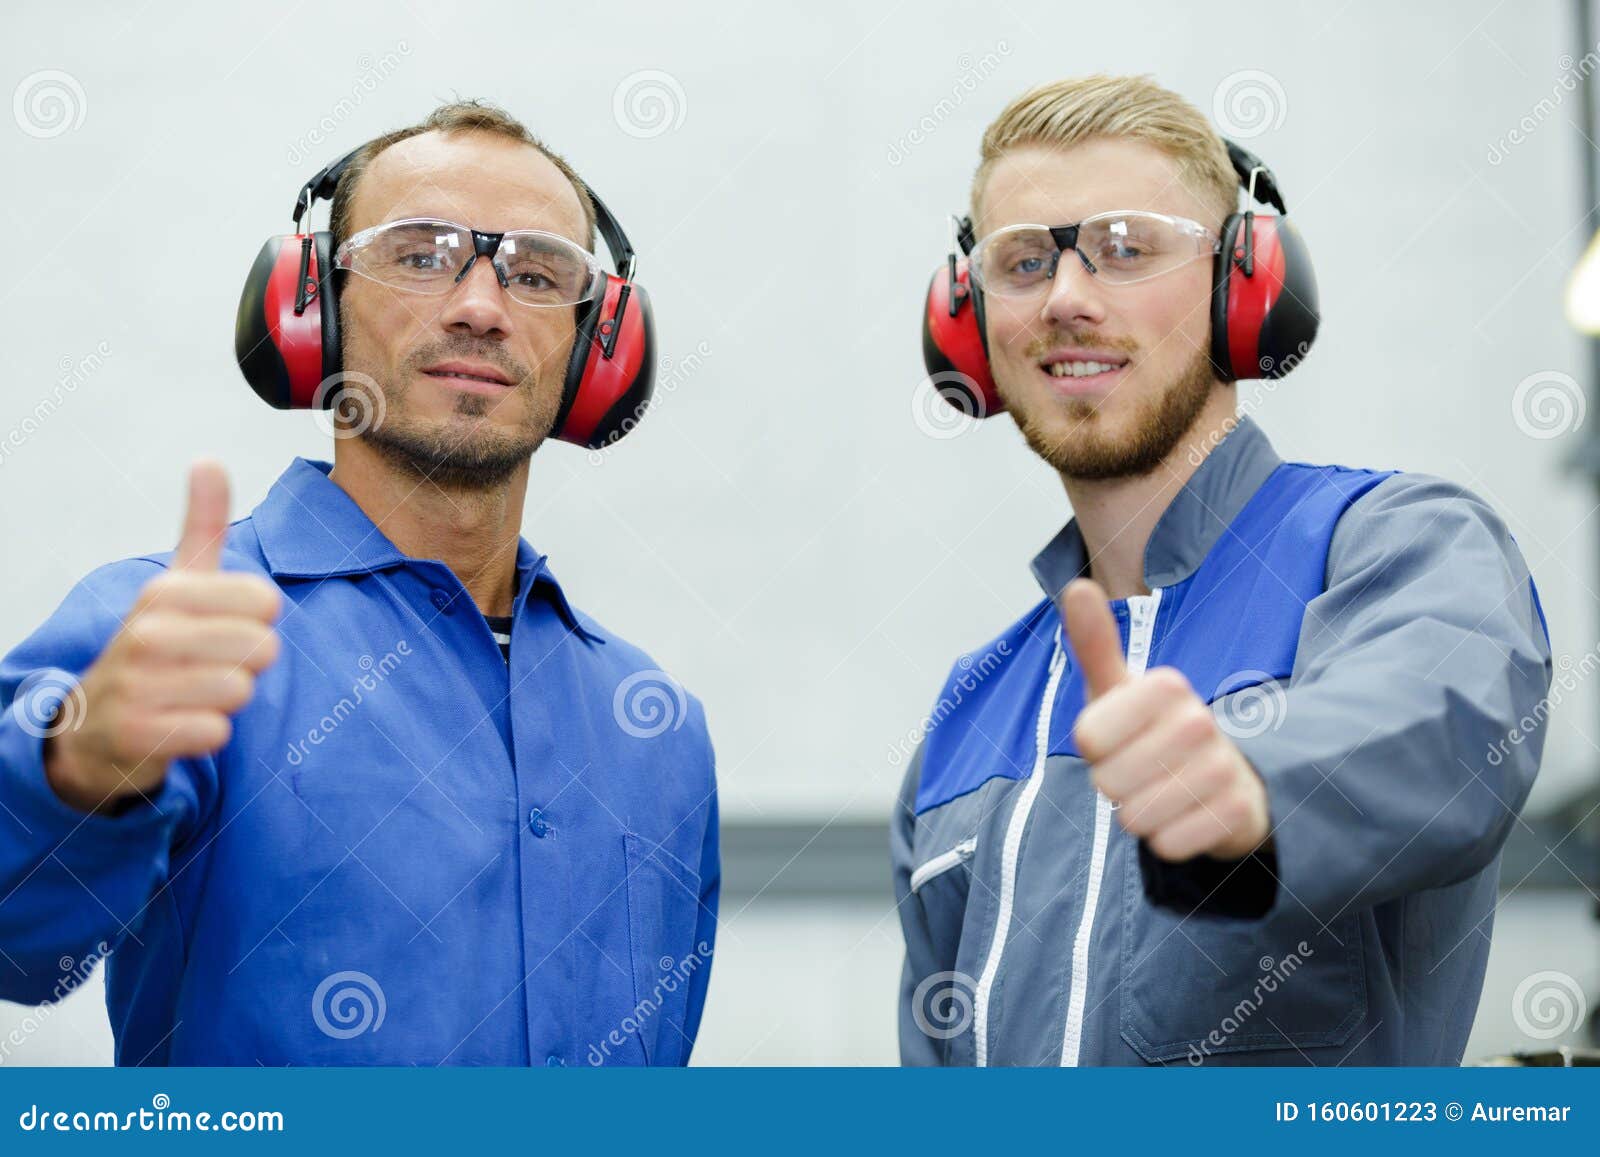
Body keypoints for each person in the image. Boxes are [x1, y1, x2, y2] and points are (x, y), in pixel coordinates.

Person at [0, 101, 718, 1067]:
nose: (480, 306)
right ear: (311, 309)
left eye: (538, 274)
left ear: (601, 350)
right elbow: (19, 953)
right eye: (421, 255)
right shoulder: (173, 631)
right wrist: (75, 774)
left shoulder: (656, 726)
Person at [893, 74, 1552, 1066]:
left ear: (1244, 287)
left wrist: (1253, 782)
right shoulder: (966, 708)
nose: (1066, 299)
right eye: (1023, 262)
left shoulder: (1395, 544)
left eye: (1125, 248)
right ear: (966, 324)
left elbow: (1453, 725)